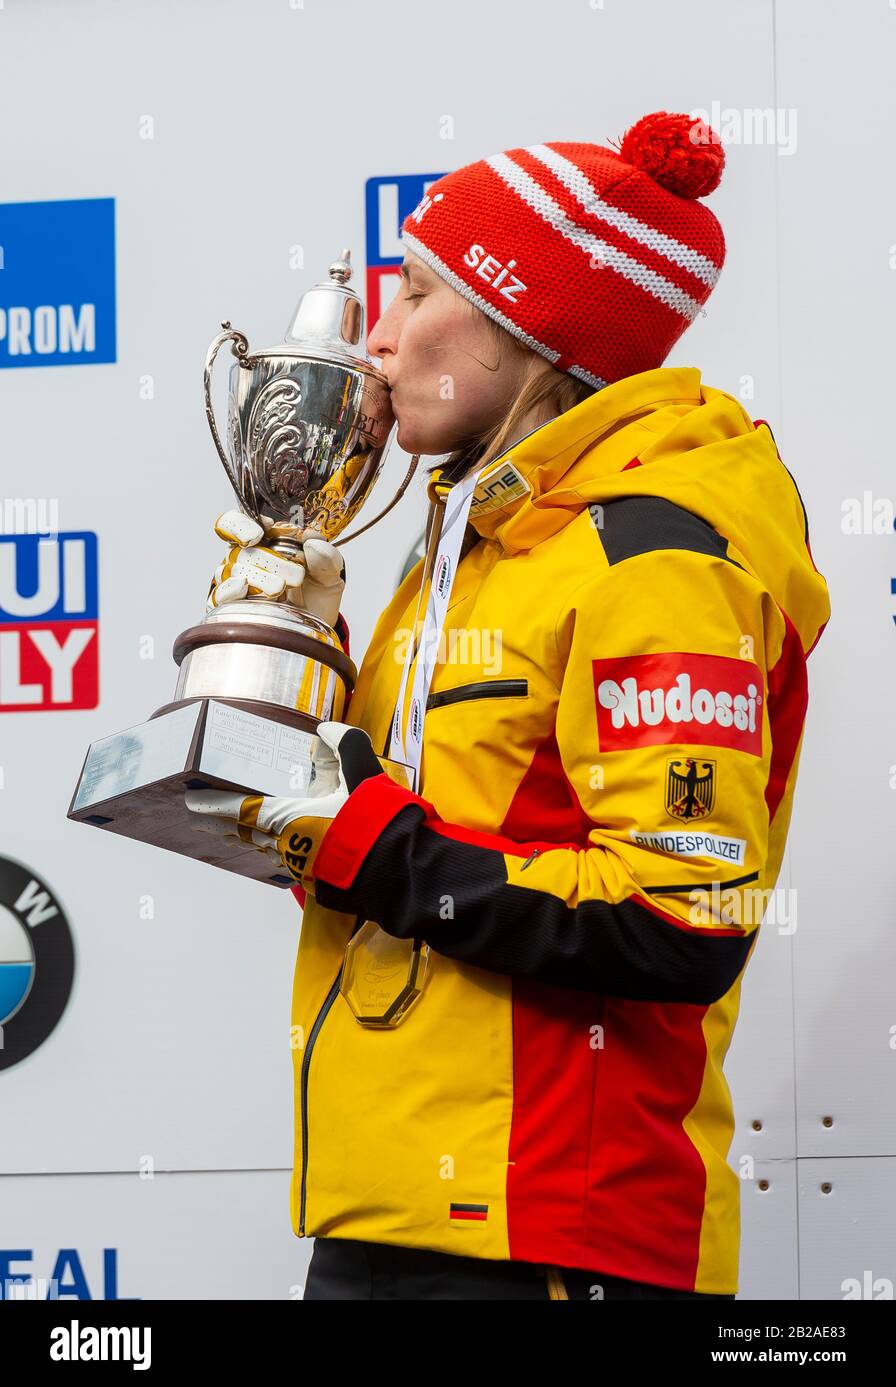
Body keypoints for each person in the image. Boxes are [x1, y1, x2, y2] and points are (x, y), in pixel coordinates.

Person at [186, 111, 831, 1300]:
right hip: (395, 1208)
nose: (374, 339)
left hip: (551, 1233)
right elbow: (426, 837)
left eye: (416, 290)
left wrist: (373, 844)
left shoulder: (652, 556)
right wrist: (296, 672)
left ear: (520, 327)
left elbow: (678, 921)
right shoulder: (475, 541)